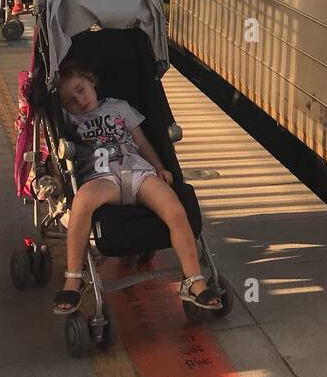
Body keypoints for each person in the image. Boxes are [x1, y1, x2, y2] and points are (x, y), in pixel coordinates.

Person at [50, 61, 222, 315]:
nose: (79, 101)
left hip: (137, 168)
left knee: (174, 209)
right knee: (82, 203)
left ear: (91, 82)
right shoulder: (70, 119)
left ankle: (194, 279)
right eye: (70, 100)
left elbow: (141, 141)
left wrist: (160, 167)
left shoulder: (120, 107)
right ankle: (74, 277)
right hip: (101, 174)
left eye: (81, 90)